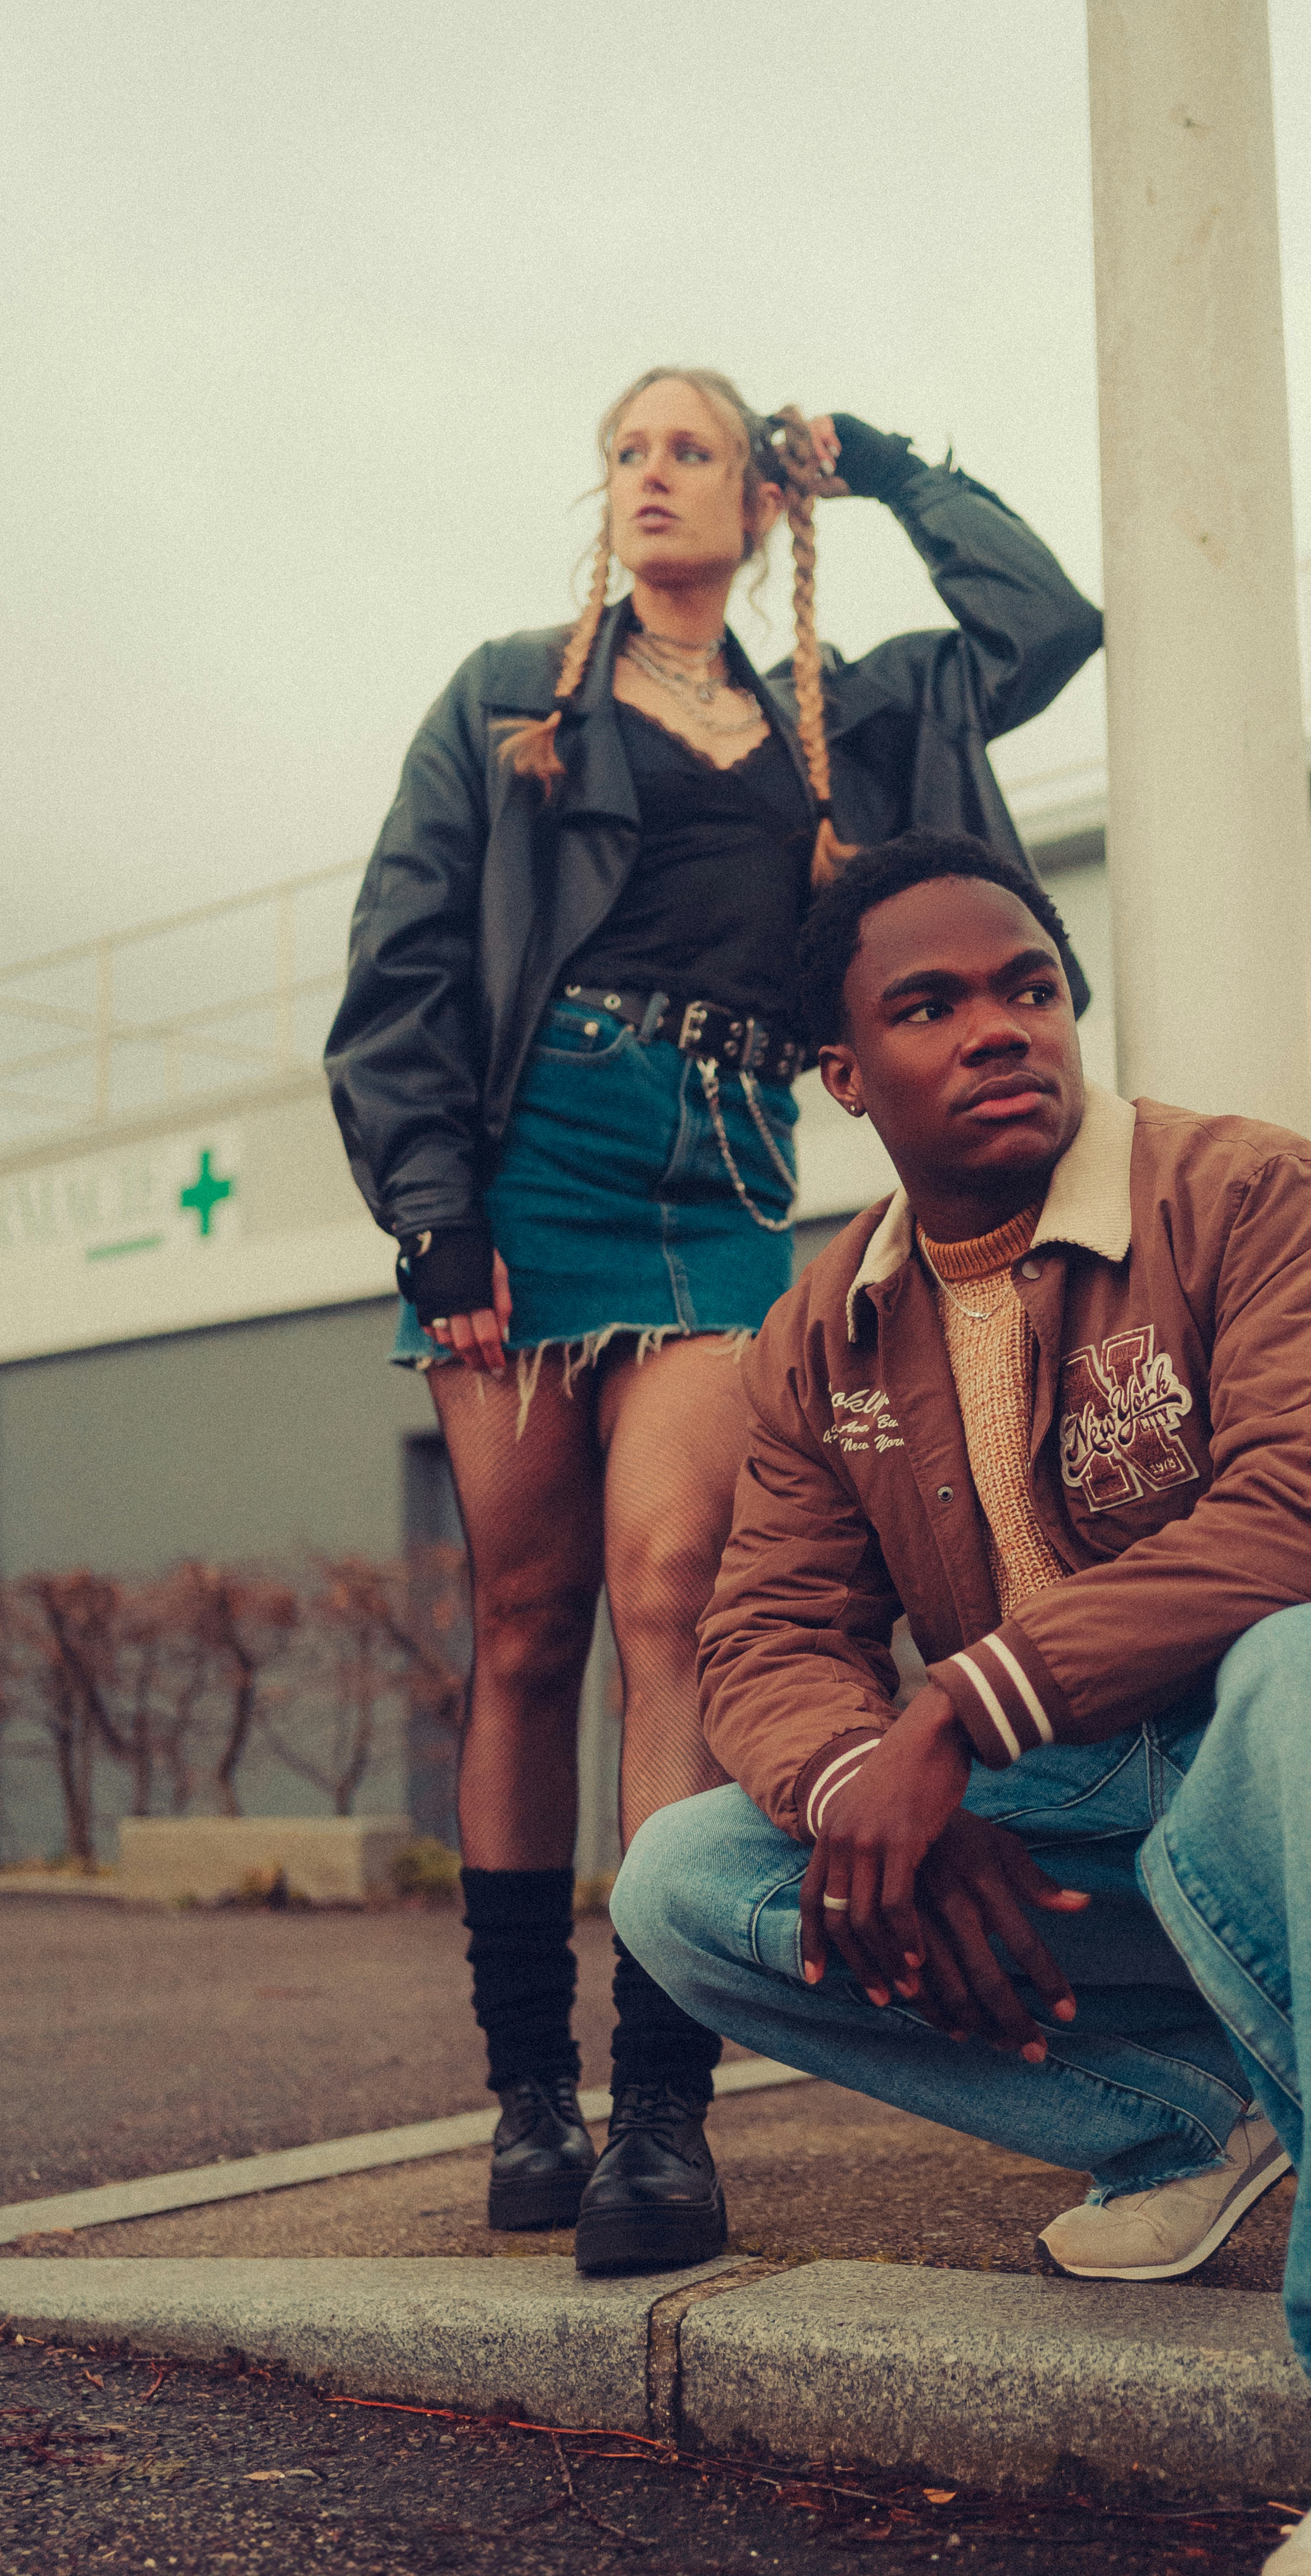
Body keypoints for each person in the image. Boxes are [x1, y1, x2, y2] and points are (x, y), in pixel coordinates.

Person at [611, 830, 1311, 2576]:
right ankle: (1186, 2122)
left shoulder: (1245, 1195)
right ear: (847, 1078)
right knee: (684, 1880)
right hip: (1099, 1793)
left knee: (1297, 1661)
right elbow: (765, 1636)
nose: (1000, 1030)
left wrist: (965, 1713)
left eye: (1030, 989)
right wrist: (859, 1791)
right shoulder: (821, 1329)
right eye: (933, 1007)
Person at [327, 380, 1099, 2278]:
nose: (655, 474)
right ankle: (531, 2096)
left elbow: (1046, 624)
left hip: (728, 1181)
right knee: (527, 1625)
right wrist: (431, 1214)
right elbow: (409, 952)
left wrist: (898, 464)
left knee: (680, 1585)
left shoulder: (846, 718)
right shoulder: (514, 693)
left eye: (694, 448)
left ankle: (659, 2111)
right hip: (537, 1161)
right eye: (629, 451)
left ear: (758, 498)